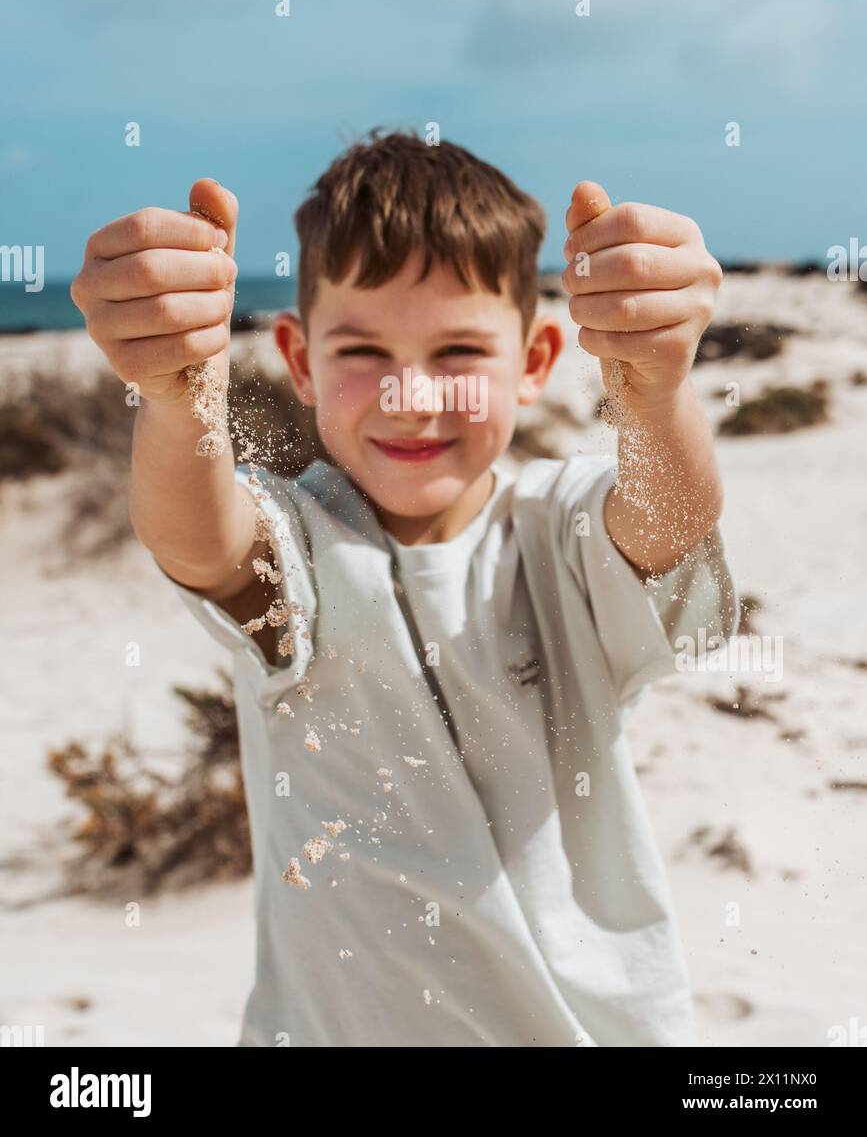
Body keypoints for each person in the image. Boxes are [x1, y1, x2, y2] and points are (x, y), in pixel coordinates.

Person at [70, 128, 737, 1047]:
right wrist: (177, 393)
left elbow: (665, 519)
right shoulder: (298, 538)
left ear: (537, 360)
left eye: (460, 351)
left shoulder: (562, 526)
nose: (412, 397)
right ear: (299, 361)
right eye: (363, 353)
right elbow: (202, 538)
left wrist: (655, 390)